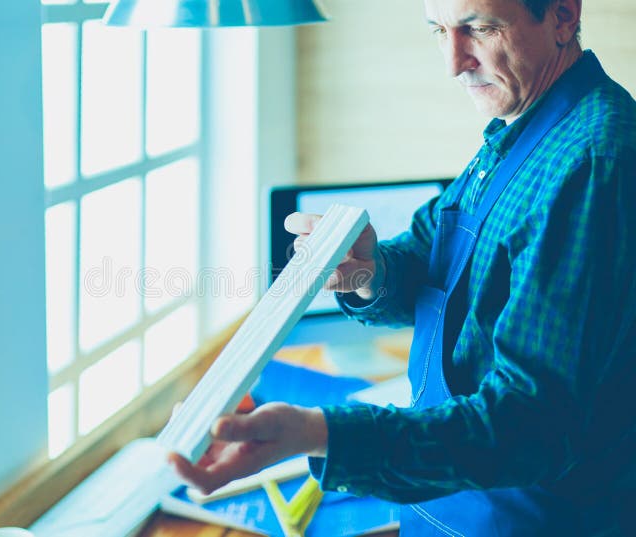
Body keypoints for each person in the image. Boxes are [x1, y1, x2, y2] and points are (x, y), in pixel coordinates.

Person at [168, 0, 636, 534]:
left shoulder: (592, 162)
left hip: (522, 519)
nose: (454, 63)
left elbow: (529, 427)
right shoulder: (520, 128)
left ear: (563, 16)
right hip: (446, 500)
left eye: (480, 29)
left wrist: (318, 434)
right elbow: (428, 257)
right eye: (439, 30)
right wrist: (369, 271)